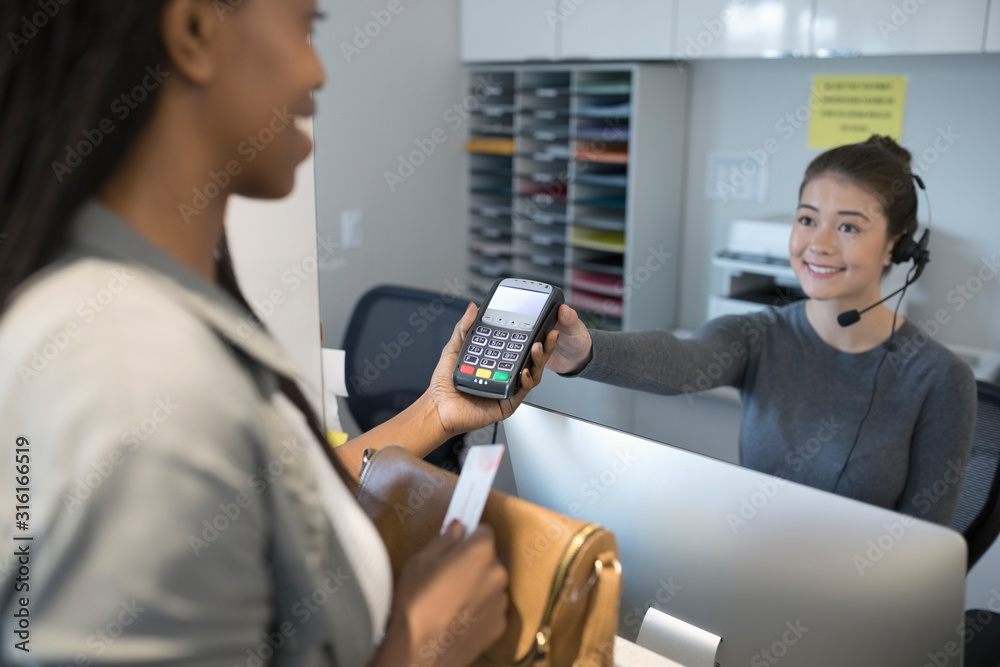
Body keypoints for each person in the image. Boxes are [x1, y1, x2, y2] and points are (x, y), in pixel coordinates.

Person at [0, 1, 558, 665]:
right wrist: (419, 647)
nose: (317, 70)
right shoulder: (143, 381)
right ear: (197, 30)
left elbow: (273, 499)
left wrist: (438, 411)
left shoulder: (98, 316)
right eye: (305, 25)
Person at [547, 135, 976, 526]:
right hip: (756, 572)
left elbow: (926, 548)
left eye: (848, 227)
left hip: (861, 598)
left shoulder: (939, 379)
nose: (819, 244)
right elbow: (683, 360)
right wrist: (586, 351)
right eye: (807, 219)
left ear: (896, 247)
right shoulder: (760, 336)